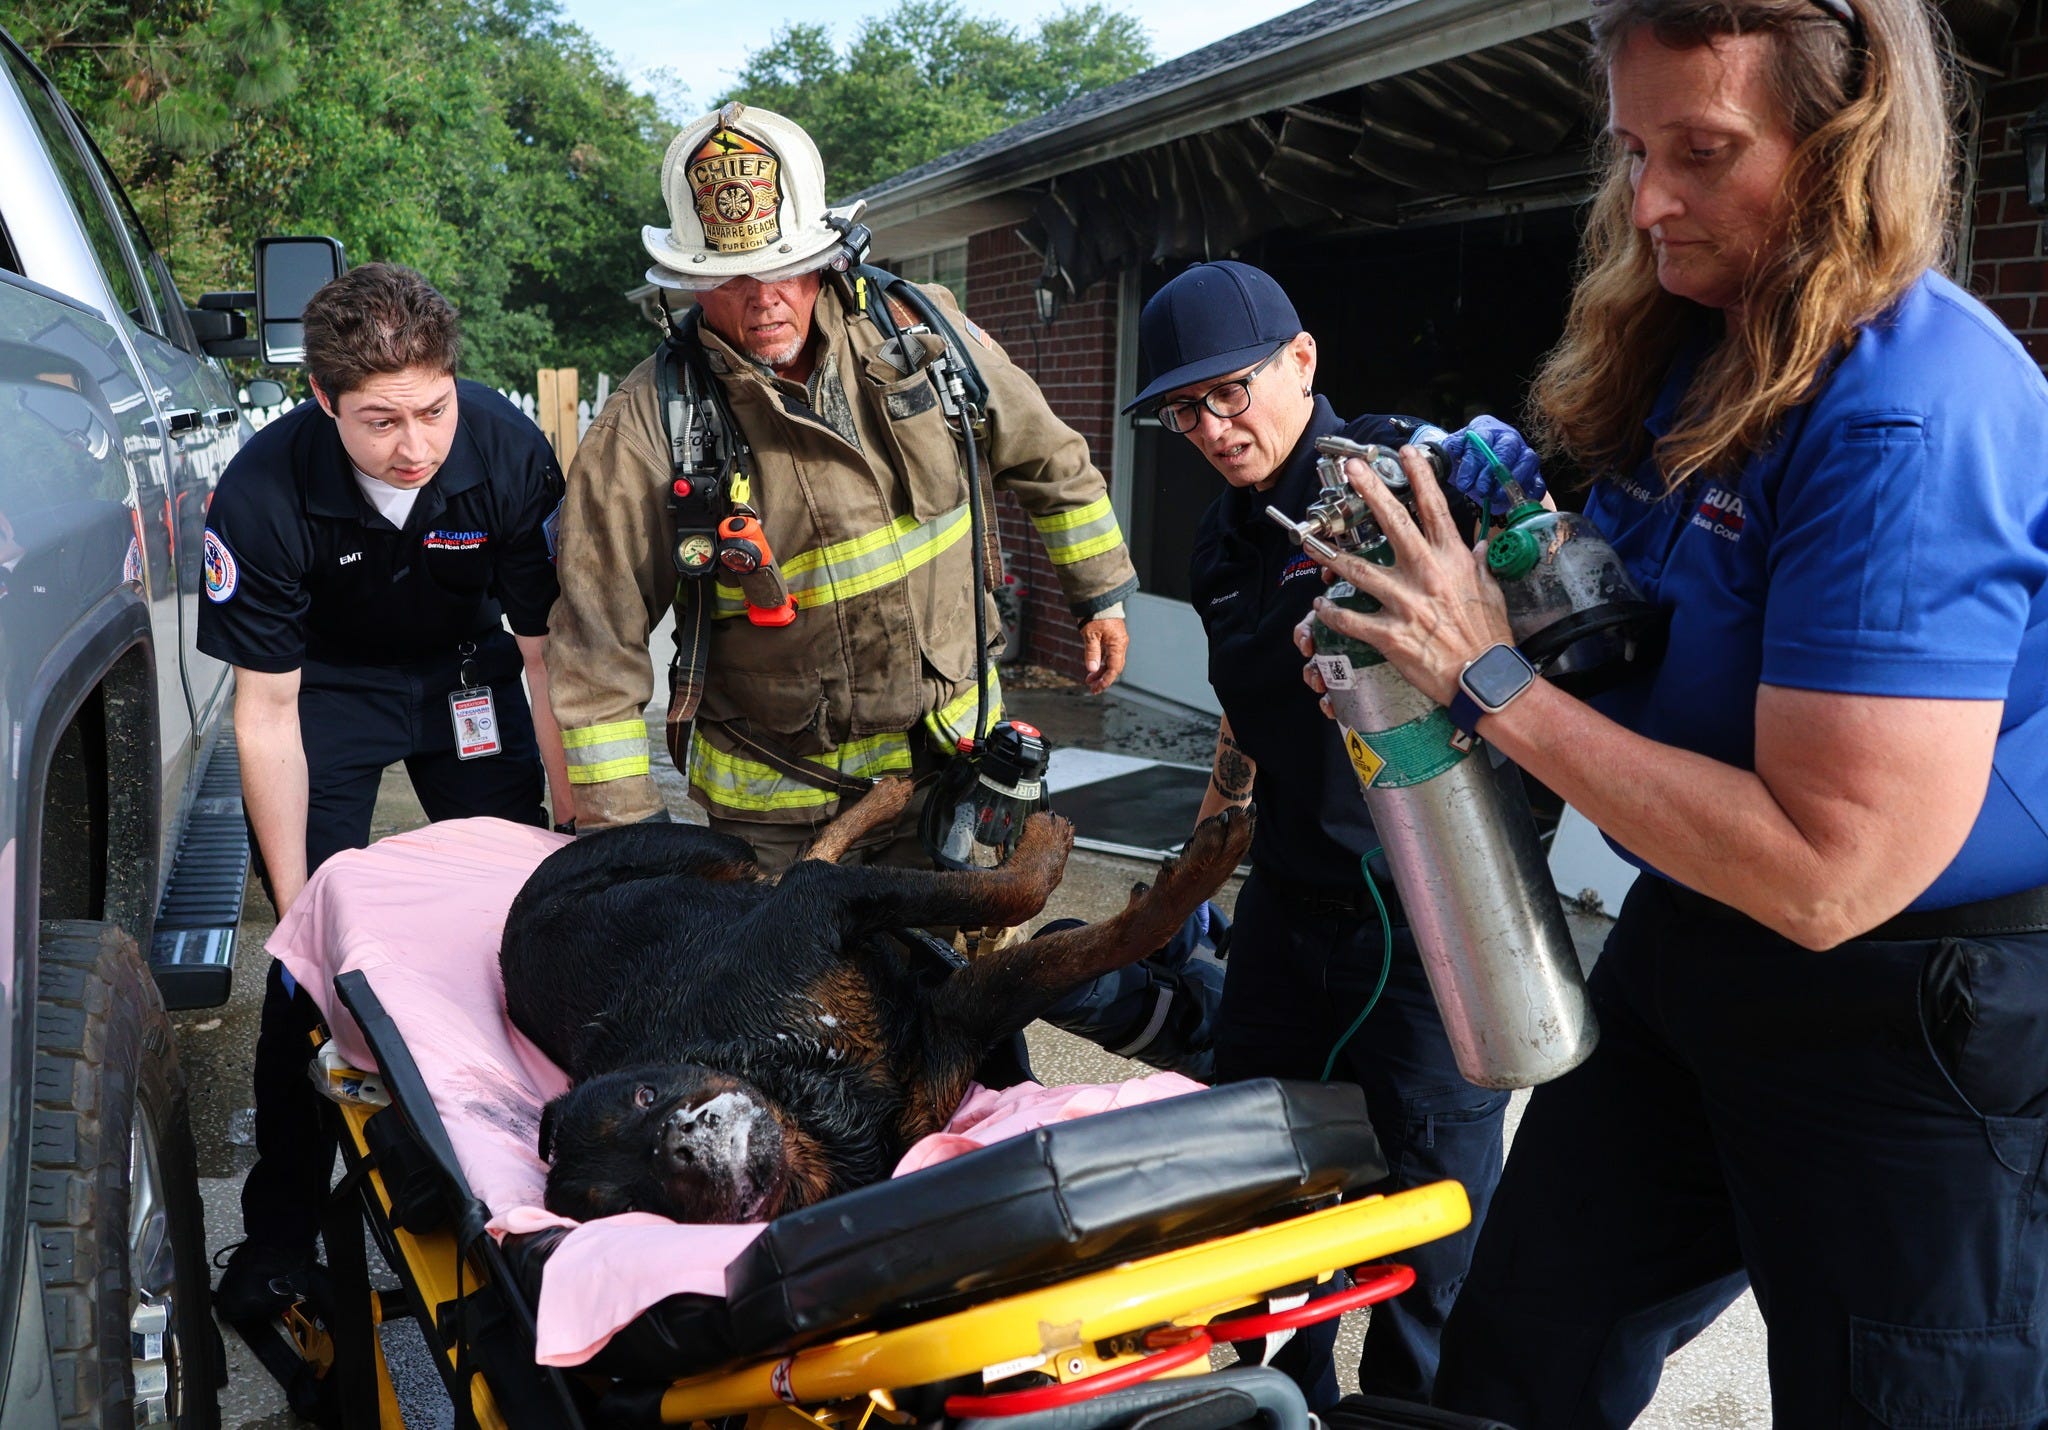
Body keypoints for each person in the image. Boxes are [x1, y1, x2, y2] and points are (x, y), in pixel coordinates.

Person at [1292, 1, 2048, 1422]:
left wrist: (1484, 676)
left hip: (1903, 1007)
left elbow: (1834, 871)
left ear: (1847, 150)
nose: (1647, 202)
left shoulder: (1910, 414)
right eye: (1635, 148)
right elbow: (1628, 629)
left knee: (1900, 1401)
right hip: (1697, 938)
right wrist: (1422, 592)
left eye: (1705, 150)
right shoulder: (1706, 347)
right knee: (1518, 1357)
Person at [1121, 259, 1548, 1404]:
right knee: (1261, 1197)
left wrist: (1504, 506)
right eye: (1182, 409)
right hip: (1285, 921)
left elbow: (1539, 584)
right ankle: (1278, 1403)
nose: (1211, 426)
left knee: (1430, 1234)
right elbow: (1246, 725)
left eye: (1231, 391)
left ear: (1300, 360)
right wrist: (1192, 874)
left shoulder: (1409, 478)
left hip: (1432, 930)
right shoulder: (1219, 542)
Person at [547, 103, 1136, 867]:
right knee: (801, 993)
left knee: (968, 978)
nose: (764, 298)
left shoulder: (919, 338)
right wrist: (632, 851)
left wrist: (1100, 593)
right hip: (783, 823)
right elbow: (597, 653)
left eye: (785, 266)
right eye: (730, 276)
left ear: (827, 256)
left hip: (951, 771)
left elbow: (1045, 454)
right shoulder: (646, 427)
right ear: (690, 284)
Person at [199, 262, 573, 1319]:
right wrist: (302, 913)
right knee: (303, 979)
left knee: (523, 922)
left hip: (467, 675)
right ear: (321, 402)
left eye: (431, 410)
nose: (413, 446)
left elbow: (547, 660)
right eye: (379, 421)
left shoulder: (502, 448)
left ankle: (527, 1171)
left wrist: (573, 816)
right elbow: (263, 714)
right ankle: (277, 1235)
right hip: (328, 688)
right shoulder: (264, 491)